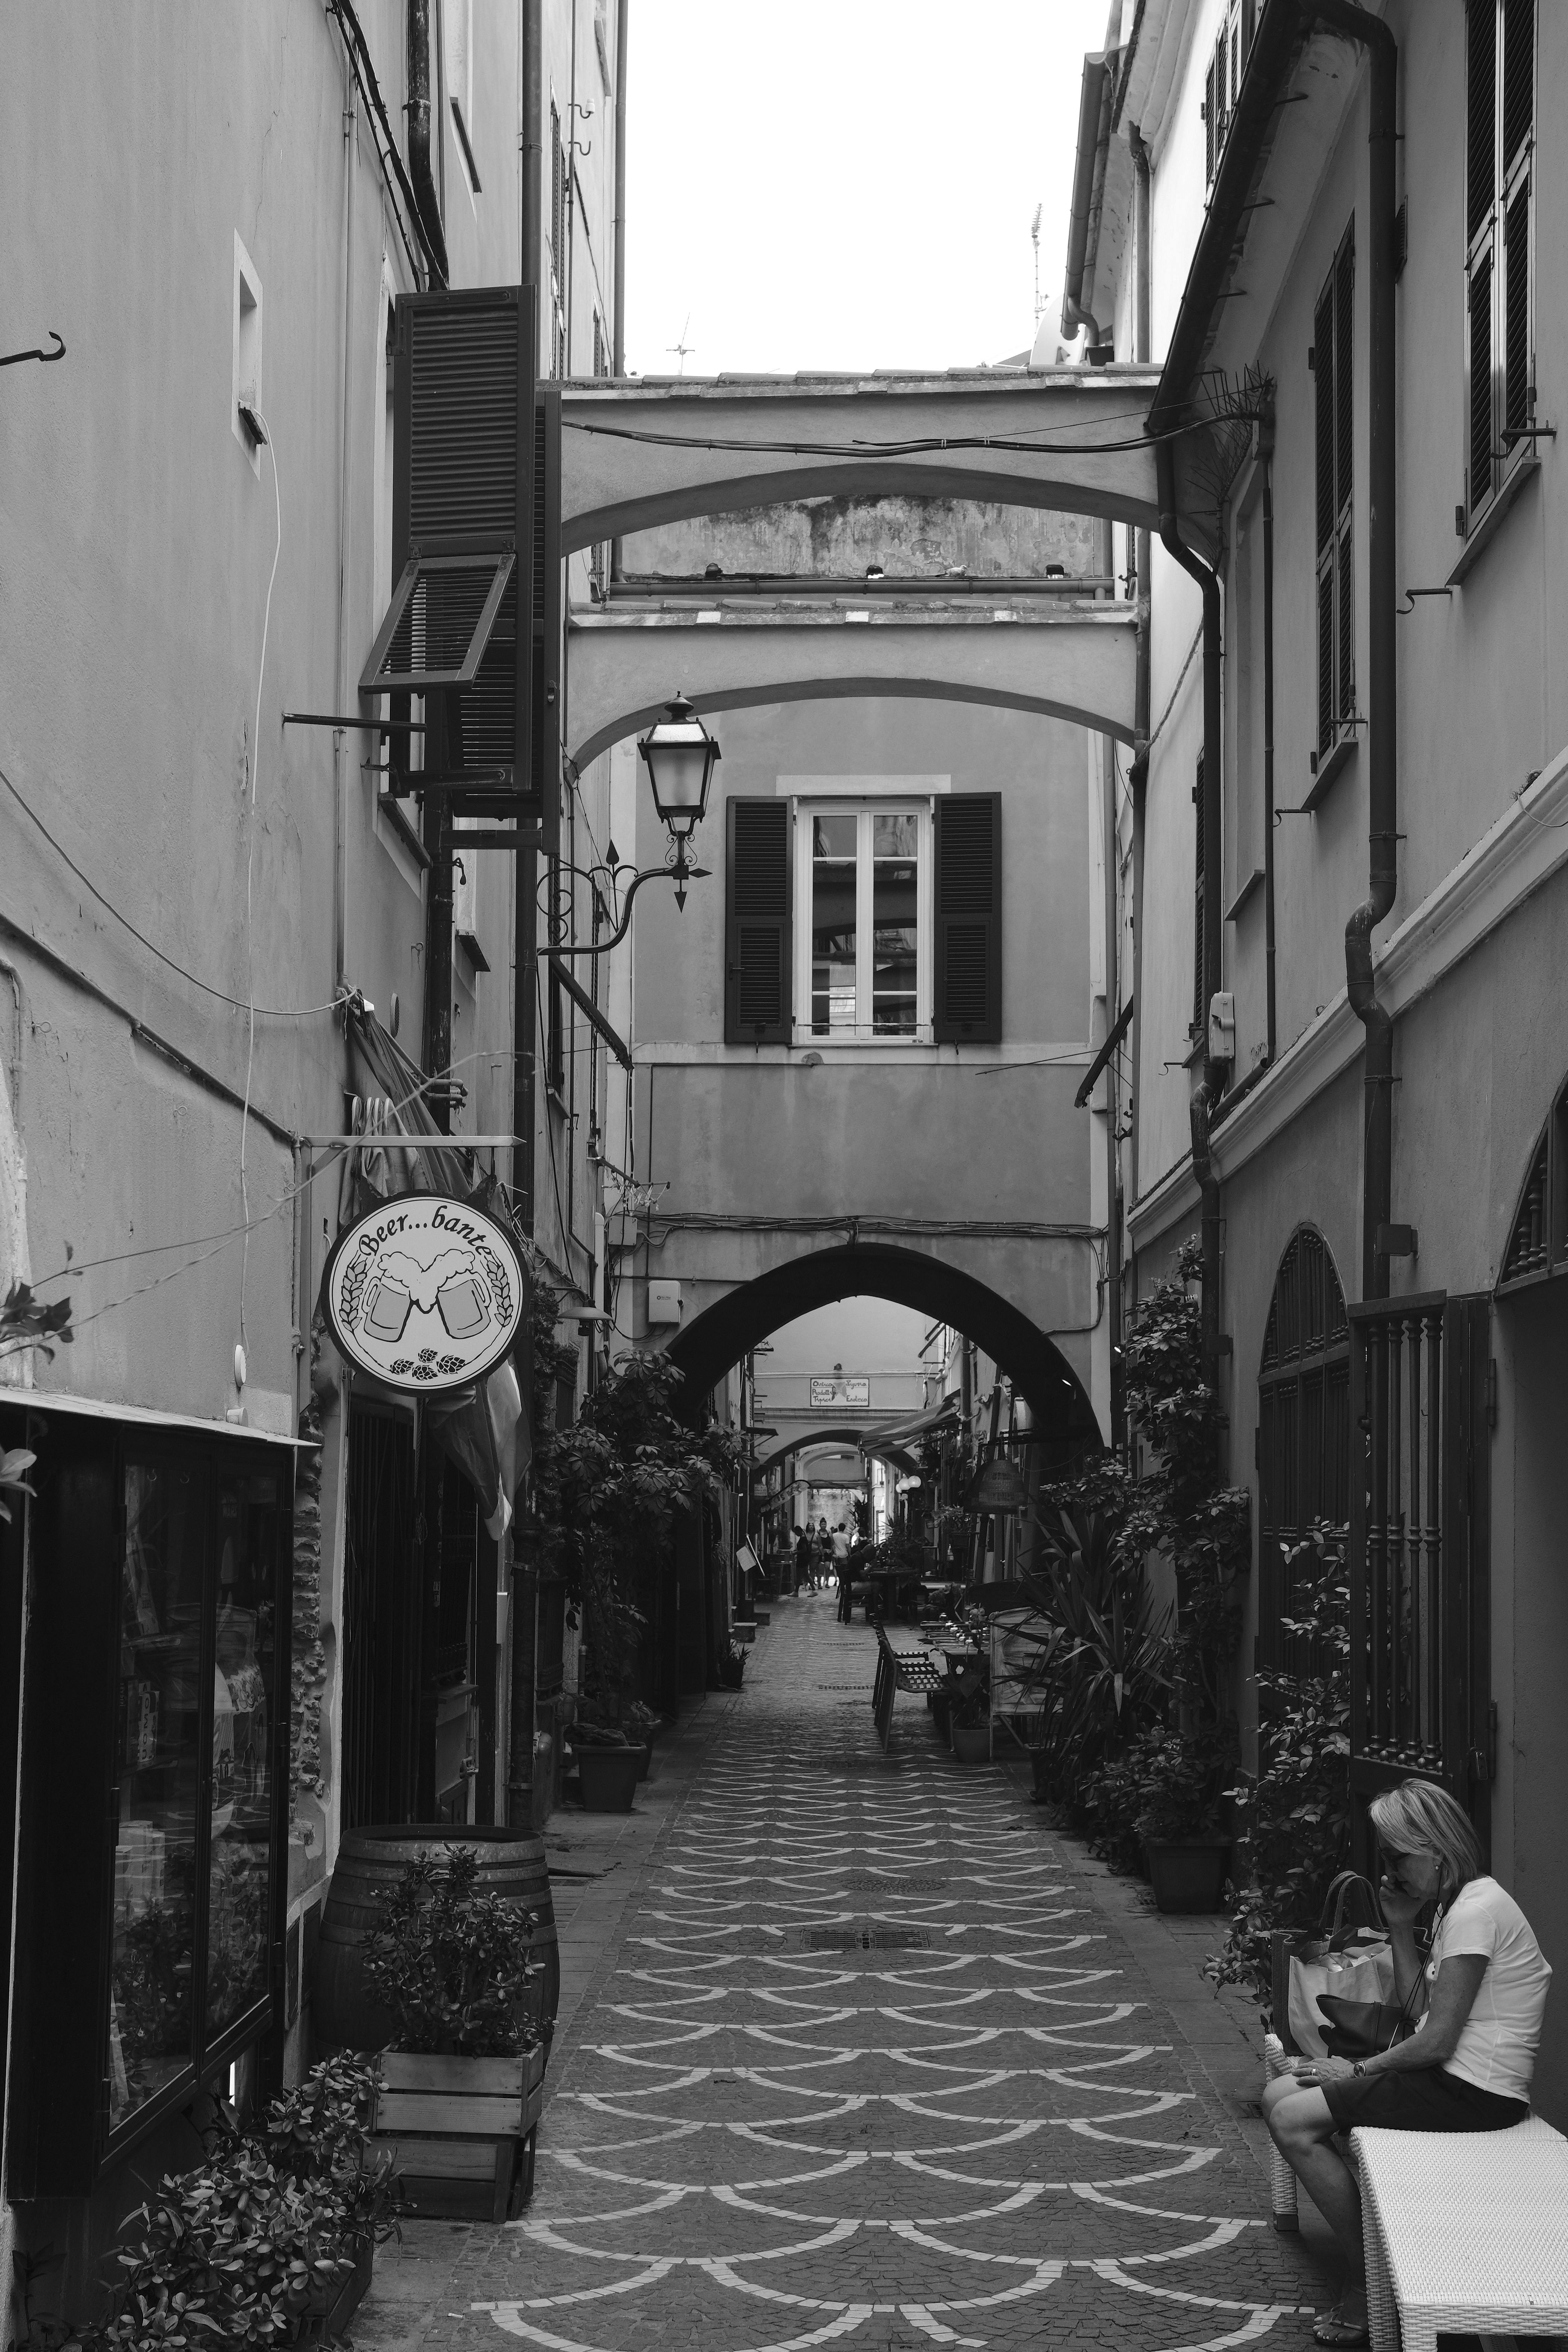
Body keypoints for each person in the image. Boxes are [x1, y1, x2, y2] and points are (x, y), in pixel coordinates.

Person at [1262, 1780, 1552, 2349]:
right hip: (1454, 2083)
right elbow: (1422, 2012)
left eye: (1398, 1857)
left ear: (1437, 1850)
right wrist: (1400, 1925)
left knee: (1292, 2120)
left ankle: (1367, 2281)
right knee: (1281, 2098)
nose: (1389, 1871)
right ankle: (1377, 2261)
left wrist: (1360, 2071)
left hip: (1470, 2093)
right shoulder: (1465, 1905)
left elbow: (1438, 2040)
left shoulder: (1475, 1914)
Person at [792, 1524, 813, 1597]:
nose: (796, 1534)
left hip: (802, 1560)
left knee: (800, 1576)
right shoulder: (803, 1538)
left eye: (796, 1533)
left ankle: (796, 1591)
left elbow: (804, 1550)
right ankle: (813, 1590)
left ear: (799, 1531)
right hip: (804, 1559)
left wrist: (796, 1552)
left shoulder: (803, 1539)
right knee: (806, 1575)